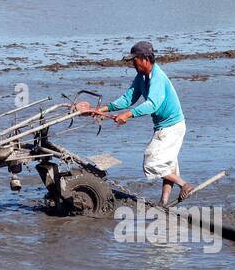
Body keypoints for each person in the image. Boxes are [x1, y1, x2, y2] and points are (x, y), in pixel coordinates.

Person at [75, 41, 193, 205]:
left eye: (134, 60)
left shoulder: (157, 78)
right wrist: (101, 109)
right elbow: (127, 99)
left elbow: (152, 105)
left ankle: (184, 185)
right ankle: (164, 203)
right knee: (168, 166)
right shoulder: (141, 77)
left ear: (145, 58)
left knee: (151, 163)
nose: (132, 64)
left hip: (171, 127)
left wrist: (128, 115)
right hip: (167, 126)